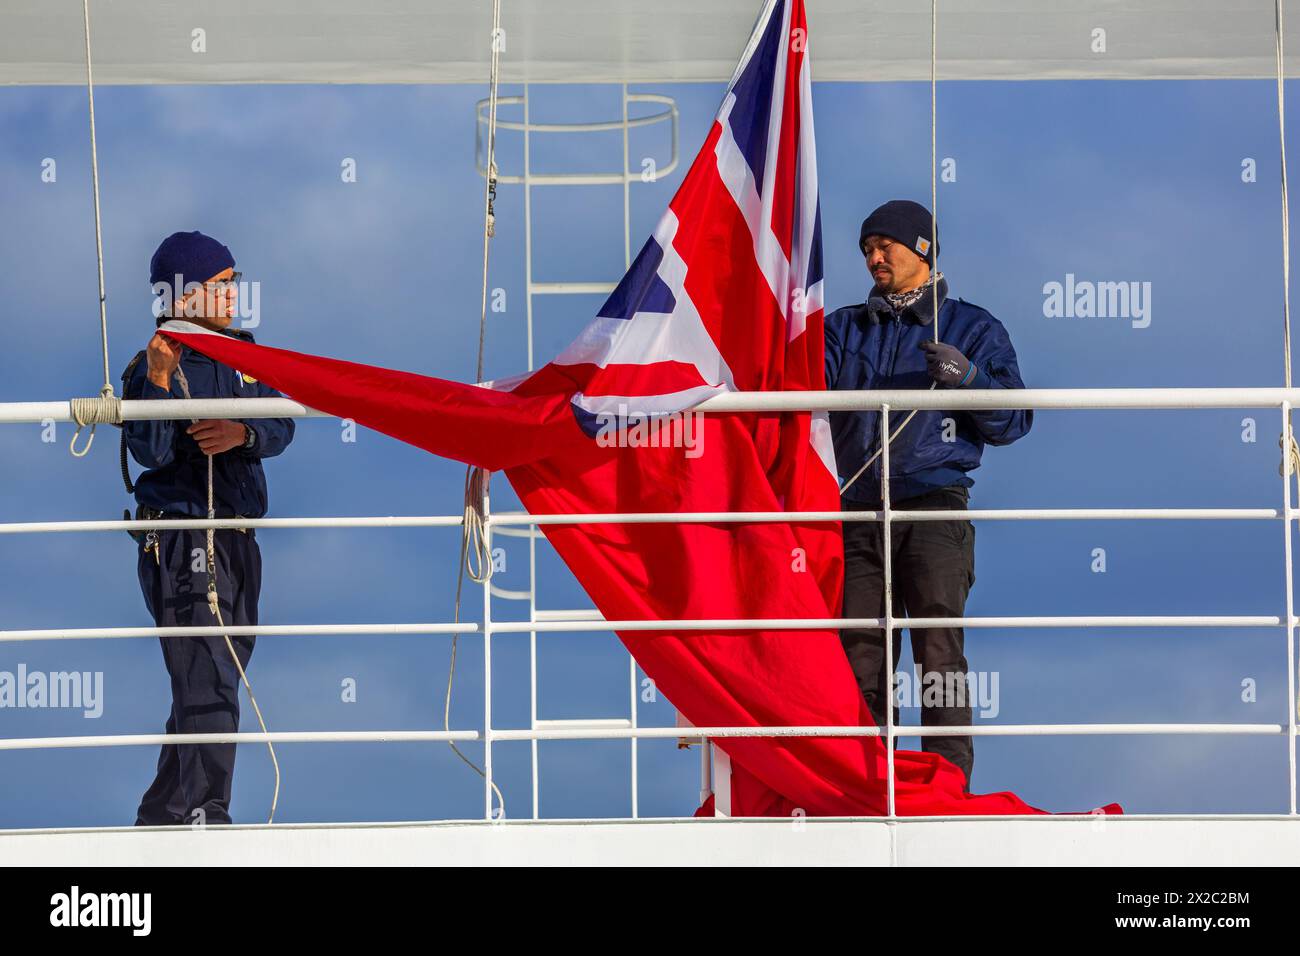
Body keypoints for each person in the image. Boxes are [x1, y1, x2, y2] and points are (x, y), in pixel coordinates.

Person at [823, 200, 1032, 790]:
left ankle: (945, 786)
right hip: (856, 511)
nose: (873, 257)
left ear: (922, 249)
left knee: (938, 651)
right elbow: (794, 396)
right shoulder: (841, 329)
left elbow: (1014, 421)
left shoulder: (973, 327)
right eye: (867, 247)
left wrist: (969, 380)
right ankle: (867, 784)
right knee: (860, 655)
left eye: (885, 244)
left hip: (936, 507)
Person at [124, 231, 295, 825]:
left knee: (217, 668)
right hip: (182, 536)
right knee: (209, 670)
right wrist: (159, 381)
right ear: (186, 293)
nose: (234, 294)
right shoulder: (151, 363)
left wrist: (241, 433)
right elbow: (147, 450)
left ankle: (161, 812)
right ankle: (206, 811)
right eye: (222, 285)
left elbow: (282, 426)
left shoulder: (247, 360)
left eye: (232, 281)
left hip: (240, 539)